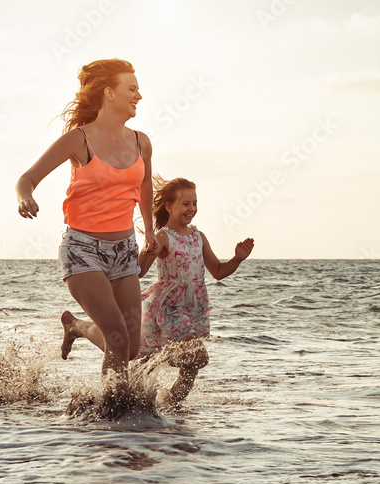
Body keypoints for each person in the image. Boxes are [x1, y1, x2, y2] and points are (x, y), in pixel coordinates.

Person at [15, 58, 158, 402]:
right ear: (110, 93)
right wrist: (25, 198)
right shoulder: (79, 140)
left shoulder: (141, 142)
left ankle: (77, 327)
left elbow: (144, 188)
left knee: (131, 345)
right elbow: (27, 178)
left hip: (125, 250)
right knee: (118, 337)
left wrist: (150, 233)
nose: (140, 94)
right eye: (132, 88)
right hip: (83, 250)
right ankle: (112, 413)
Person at [62, 176, 254, 405]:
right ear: (169, 206)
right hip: (169, 309)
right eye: (186, 204)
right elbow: (140, 271)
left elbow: (219, 271)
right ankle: (145, 364)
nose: (191, 208)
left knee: (188, 367)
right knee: (197, 356)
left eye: (195, 203)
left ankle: (168, 409)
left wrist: (238, 259)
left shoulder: (198, 237)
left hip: (192, 309)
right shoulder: (163, 236)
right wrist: (147, 249)